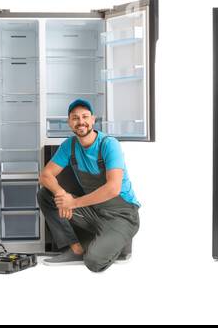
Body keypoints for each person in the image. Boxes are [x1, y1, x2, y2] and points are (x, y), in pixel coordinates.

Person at [38, 99, 141, 272]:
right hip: (94, 212)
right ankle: (76, 248)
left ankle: (118, 243)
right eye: (75, 118)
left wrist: (73, 203)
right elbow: (45, 175)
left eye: (85, 116)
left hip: (121, 216)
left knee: (93, 262)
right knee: (46, 194)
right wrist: (62, 194)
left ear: (93, 120)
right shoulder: (69, 146)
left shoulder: (109, 145)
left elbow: (113, 188)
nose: (81, 122)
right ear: (69, 122)